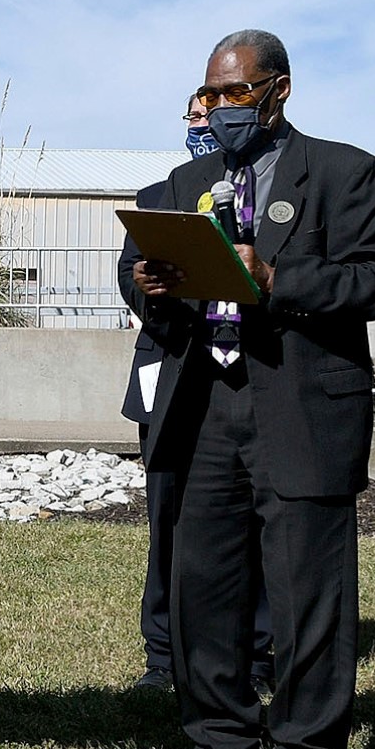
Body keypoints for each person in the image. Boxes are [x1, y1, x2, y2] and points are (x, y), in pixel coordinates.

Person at [123, 29, 375, 749]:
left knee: (305, 588)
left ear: (279, 90)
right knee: (202, 583)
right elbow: (133, 268)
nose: (219, 108)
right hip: (203, 404)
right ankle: (218, 735)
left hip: (300, 407)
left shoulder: (348, 174)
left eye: (235, 93)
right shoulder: (184, 183)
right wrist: (146, 279)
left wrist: (276, 274)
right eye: (210, 95)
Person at [122, 97, 273, 693]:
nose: (204, 122)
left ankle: (257, 656)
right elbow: (131, 275)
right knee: (169, 523)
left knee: (256, 527)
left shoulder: (273, 192)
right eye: (195, 113)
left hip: (252, 383)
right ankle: (164, 656)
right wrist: (150, 289)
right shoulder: (161, 194)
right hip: (173, 380)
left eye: (218, 106)